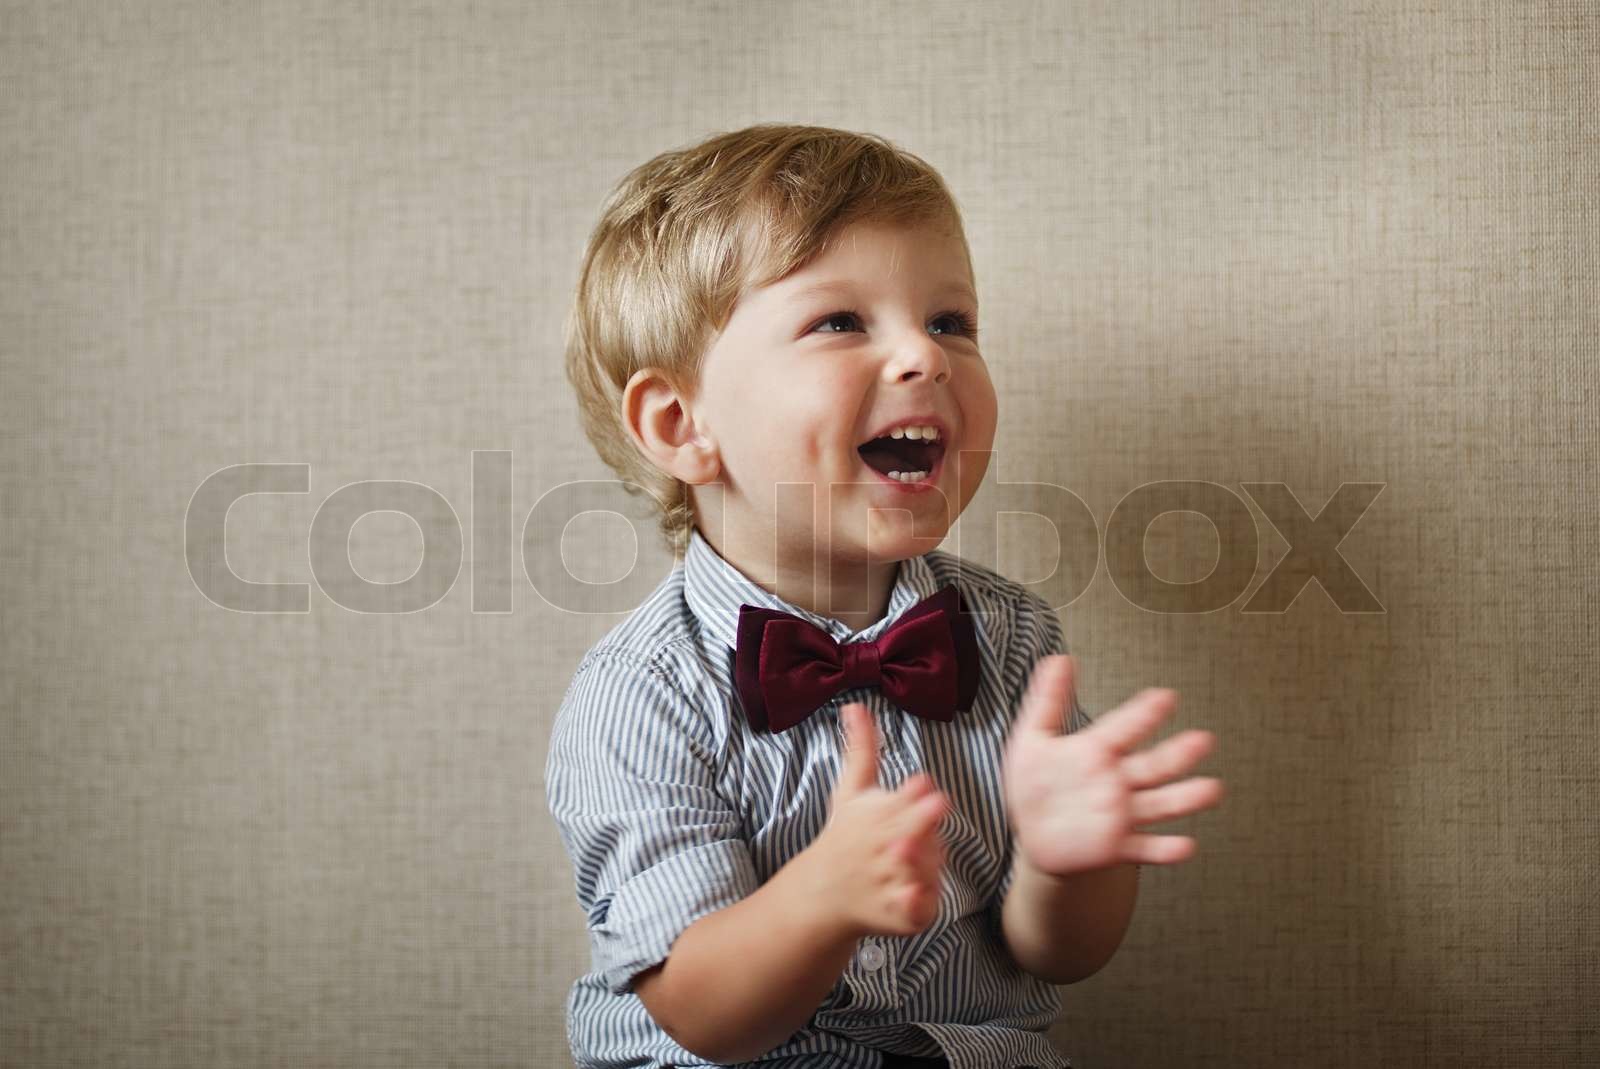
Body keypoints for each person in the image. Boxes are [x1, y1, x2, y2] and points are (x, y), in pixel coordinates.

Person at [545, 123, 1225, 1069]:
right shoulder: (642, 691)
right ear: (680, 423)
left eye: (950, 323)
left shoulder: (1012, 638)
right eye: (840, 321)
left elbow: (1057, 954)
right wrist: (819, 900)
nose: (925, 358)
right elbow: (702, 1013)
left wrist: (1070, 861)